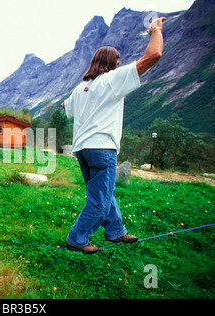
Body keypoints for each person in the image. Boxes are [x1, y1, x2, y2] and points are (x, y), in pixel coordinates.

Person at [61, 17, 167, 254]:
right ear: (112, 63)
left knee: (104, 192)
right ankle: (76, 239)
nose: (120, 66)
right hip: (102, 148)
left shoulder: (81, 88)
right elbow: (154, 55)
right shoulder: (111, 80)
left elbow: (65, 107)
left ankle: (116, 231)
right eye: (118, 62)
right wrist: (156, 30)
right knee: (98, 201)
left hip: (83, 150)